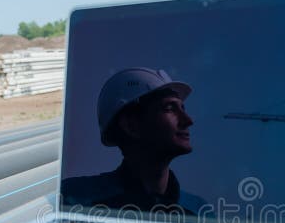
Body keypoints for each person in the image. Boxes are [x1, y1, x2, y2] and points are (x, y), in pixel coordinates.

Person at [61, 67, 207, 215]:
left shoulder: (199, 210)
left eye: (182, 108)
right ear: (131, 126)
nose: (188, 120)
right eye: (169, 108)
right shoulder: (73, 199)